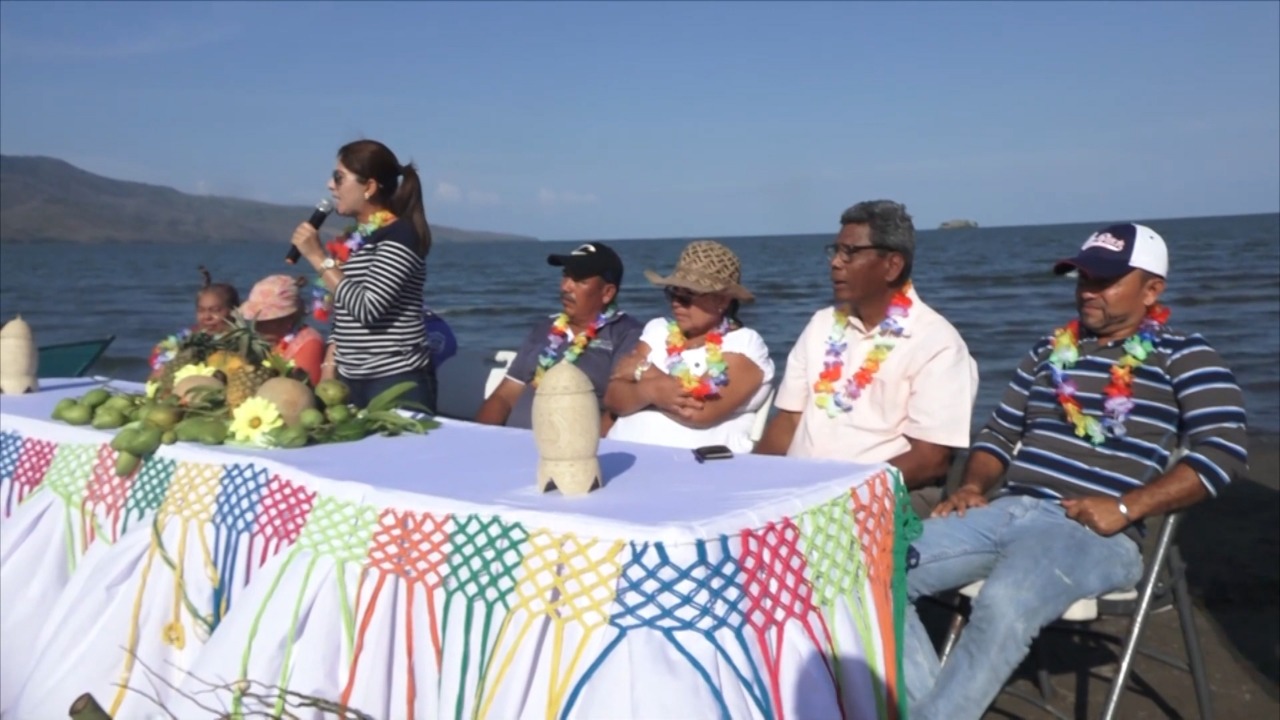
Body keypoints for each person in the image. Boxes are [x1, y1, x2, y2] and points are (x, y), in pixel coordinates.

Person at [901, 224, 1249, 720]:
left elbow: (1225, 451)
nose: (1087, 290)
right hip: (1006, 510)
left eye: (1105, 280)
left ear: (1152, 290)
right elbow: (998, 435)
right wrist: (974, 485)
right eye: (1082, 277)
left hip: (1095, 530)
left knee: (1006, 600)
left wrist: (1128, 507)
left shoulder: (1186, 355)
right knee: (874, 570)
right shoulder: (1048, 350)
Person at [754, 200, 978, 514]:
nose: (835, 263)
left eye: (850, 252)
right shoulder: (821, 324)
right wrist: (747, 477)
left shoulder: (937, 343)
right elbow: (789, 421)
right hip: (800, 490)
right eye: (835, 251)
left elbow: (930, 460)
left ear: (892, 265)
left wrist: (839, 494)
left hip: (881, 496)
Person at [290, 139, 436, 412]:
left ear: (368, 187)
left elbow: (367, 308)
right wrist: (329, 366)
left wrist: (317, 257)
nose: (330, 185)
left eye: (339, 178)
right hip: (350, 379)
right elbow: (344, 308)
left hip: (395, 381)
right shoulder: (354, 240)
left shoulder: (400, 236)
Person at [604, 240, 774, 452]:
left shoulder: (744, 344)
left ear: (722, 300)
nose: (676, 302)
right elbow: (613, 396)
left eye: (687, 296)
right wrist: (653, 391)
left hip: (699, 467)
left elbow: (698, 411)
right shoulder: (658, 330)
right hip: (624, 453)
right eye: (673, 293)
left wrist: (645, 376)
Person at [476, 242, 643, 431]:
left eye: (579, 280)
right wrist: (481, 439)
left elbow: (616, 410)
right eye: (565, 275)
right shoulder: (544, 328)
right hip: (512, 444)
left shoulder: (626, 334)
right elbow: (504, 396)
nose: (566, 286)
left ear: (607, 293)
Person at [147, 266, 239, 380]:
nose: (207, 317)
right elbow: (159, 350)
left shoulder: (241, 341)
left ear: (234, 311)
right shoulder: (190, 335)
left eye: (215, 310)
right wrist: (164, 365)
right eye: (201, 310)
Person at [238, 275, 325, 385]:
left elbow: (304, 390)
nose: (257, 325)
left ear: (289, 318)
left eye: (266, 320)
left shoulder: (309, 343)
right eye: (255, 319)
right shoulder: (260, 341)